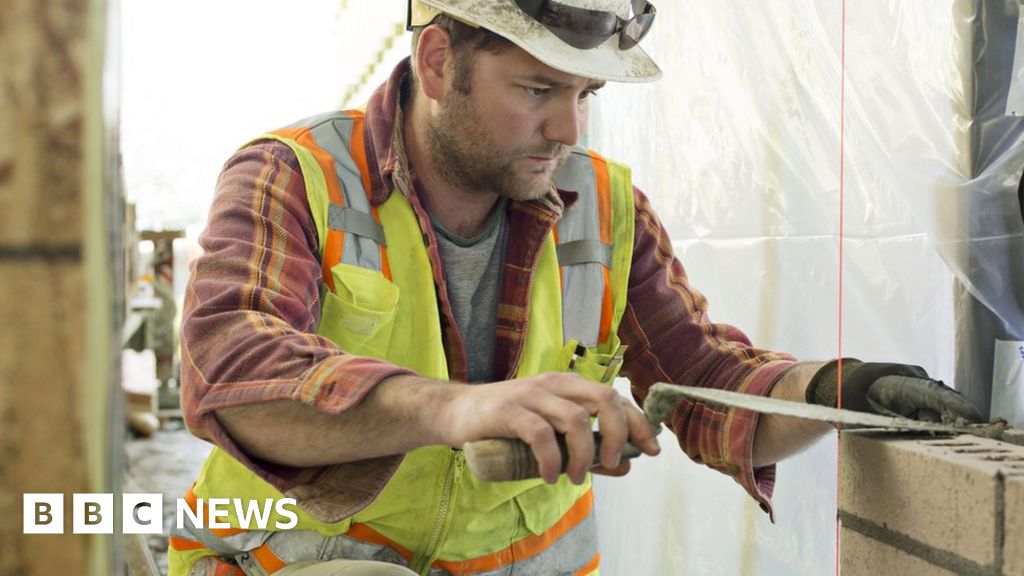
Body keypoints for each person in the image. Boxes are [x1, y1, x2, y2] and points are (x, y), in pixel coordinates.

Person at [169, 1, 983, 574]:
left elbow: (703, 382)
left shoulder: (603, 203)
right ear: (439, 61)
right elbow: (232, 370)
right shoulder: (295, 175)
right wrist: (453, 407)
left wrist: (840, 387)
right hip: (287, 558)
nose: (569, 128)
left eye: (585, 94)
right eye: (537, 90)